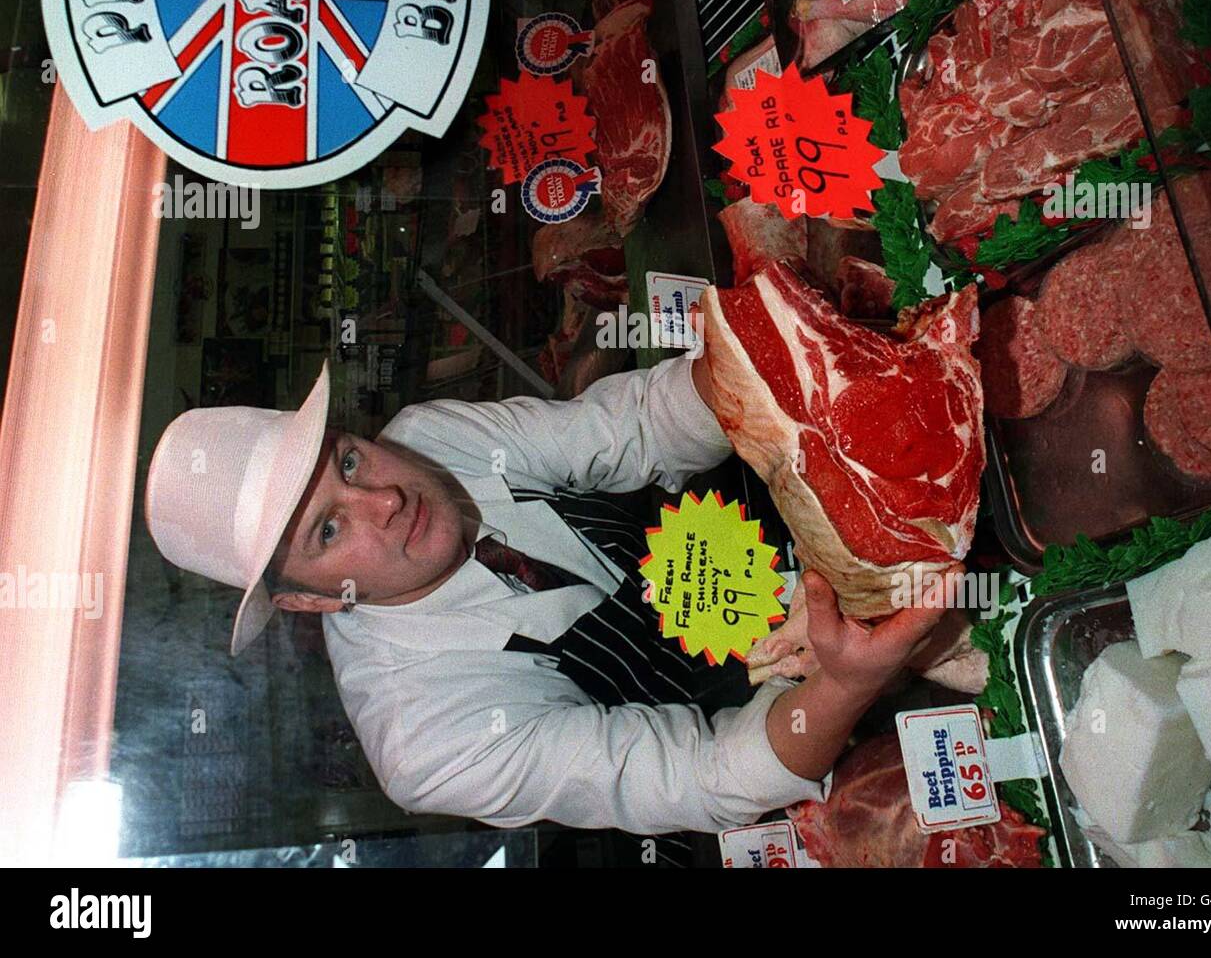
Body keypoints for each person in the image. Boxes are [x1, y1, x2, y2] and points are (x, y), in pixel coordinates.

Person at [144, 352, 954, 841]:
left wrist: (761, 360)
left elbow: (628, 428)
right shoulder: (427, 740)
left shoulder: (426, 436)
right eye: (328, 530)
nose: (382, 499)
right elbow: (699, 773)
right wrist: (843, 685)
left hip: (812, 558)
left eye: (348, 463)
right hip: (834, 743)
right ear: (309, 604)